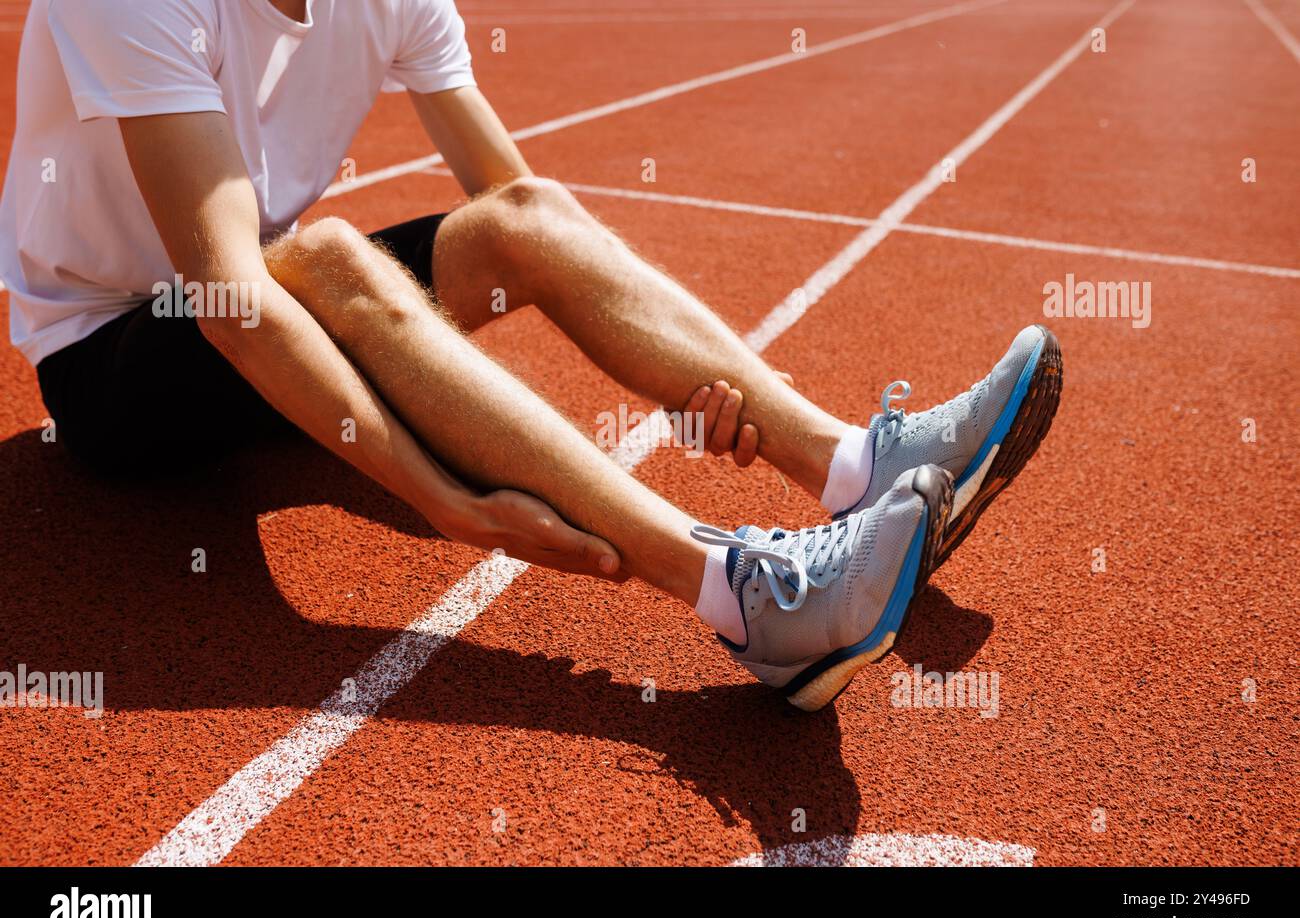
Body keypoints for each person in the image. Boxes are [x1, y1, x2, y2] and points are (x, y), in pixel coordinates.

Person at [0, 0, 1061, 710]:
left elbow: (518, 218)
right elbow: (234, 295)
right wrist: (442, 497)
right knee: (320, 260)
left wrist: (699, 389)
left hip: (268, 298)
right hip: (110, 356)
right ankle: (753, 599)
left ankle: (845, 466)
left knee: (528, 219)